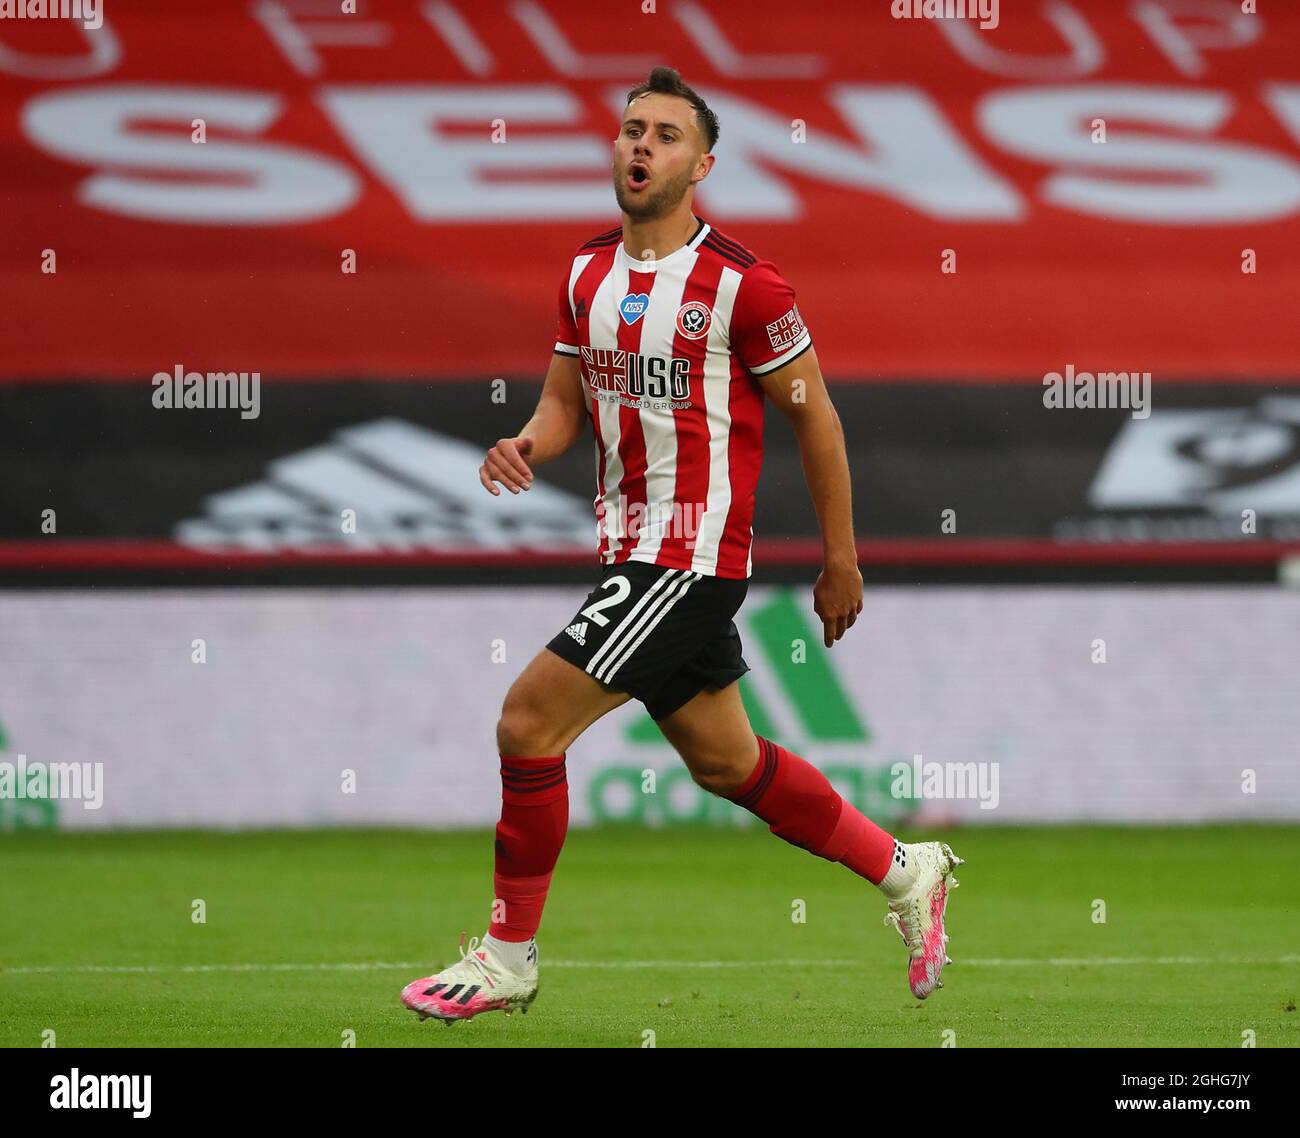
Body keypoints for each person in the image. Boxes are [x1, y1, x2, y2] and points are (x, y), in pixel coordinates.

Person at [402, 67, 963, 1024]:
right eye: (630, 129)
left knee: (526, 724)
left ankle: (506, 957)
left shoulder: (745, 285)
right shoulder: (586, 271)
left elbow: (815, 419)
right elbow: (563, 402)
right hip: (629, 553)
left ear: (701, 165)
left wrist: (841, 560)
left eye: (665, 135)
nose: (640, 146)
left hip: (690, 560)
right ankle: (906, 870)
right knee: (727, 764)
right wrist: (529, 443)